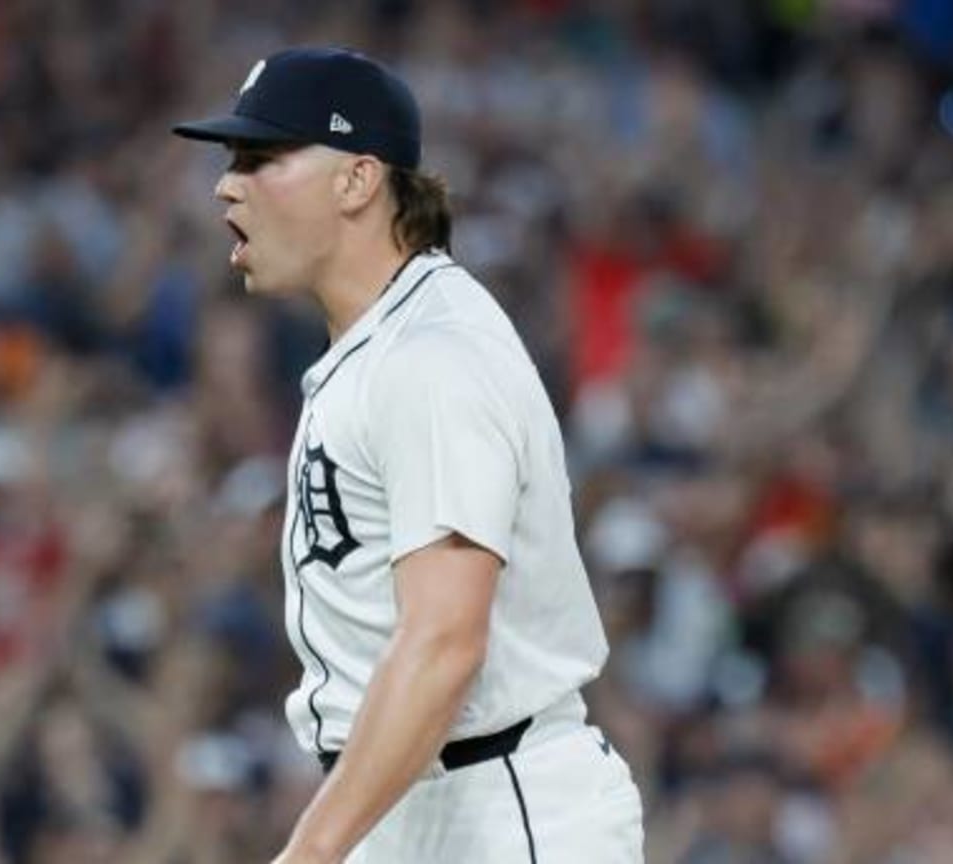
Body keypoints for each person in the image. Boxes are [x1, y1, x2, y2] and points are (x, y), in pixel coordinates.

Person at [173, 47, 645, 863]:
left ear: (358, 181)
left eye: (261, 158)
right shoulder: (386, 343)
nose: (227, 183)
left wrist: (308, 853)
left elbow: (444, 642)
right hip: (426, 805)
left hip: (497, 809)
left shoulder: (431, 357)